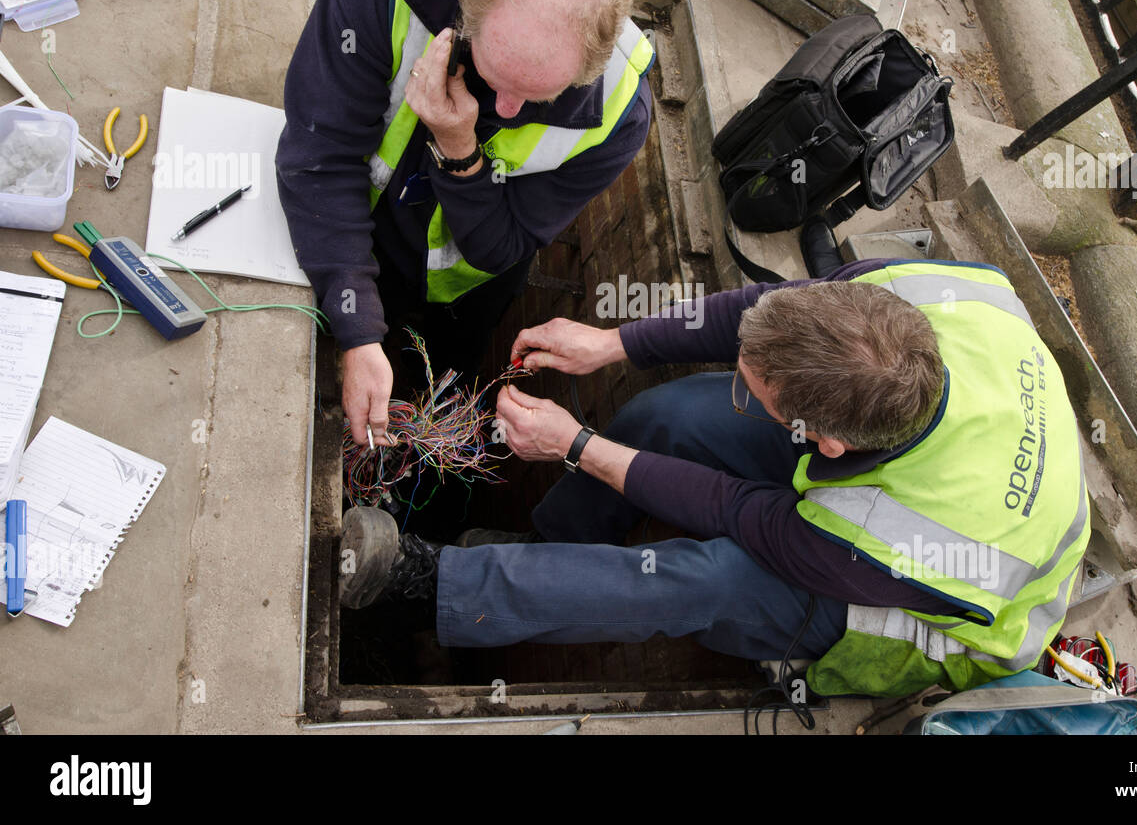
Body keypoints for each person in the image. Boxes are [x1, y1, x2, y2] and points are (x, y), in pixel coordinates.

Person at [338, 257, 1091, 699]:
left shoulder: (904, 538)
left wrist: (574, 445)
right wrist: (613, 344)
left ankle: (428, 582)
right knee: (671, 415)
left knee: (704, 580)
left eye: (752, 394)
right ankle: (536, 542)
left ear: (822, 442)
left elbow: (741, 513)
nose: (741, 393)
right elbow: (759, 313)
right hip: (908, 459)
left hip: (924, 611)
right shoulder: (915, 301)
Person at [275, 0, 654, 448]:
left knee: (442, 380)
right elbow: (320, 154)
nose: (505, 108)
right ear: (467, 0)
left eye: (535, 95)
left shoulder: (620, 113)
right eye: (495, 74)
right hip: (352, 222)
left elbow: (500, 247)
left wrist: (459, 149)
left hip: (465, 293)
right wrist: (357, 329)